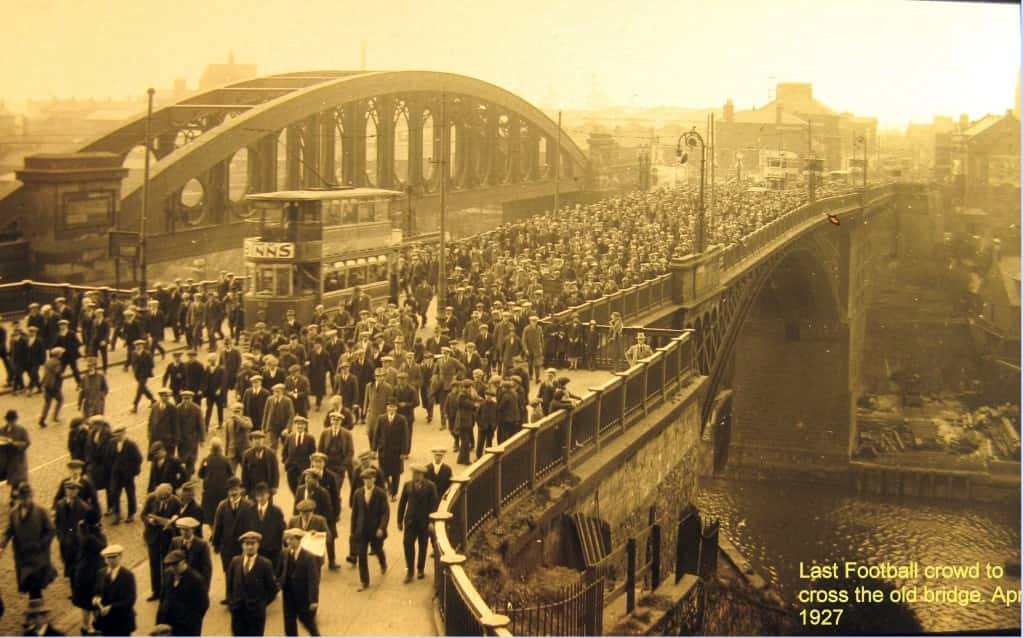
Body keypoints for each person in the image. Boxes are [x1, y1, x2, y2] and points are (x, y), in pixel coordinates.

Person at [0, 484, 57, 600]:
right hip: (22, 554)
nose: (24, 500)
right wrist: (2, 545)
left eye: (27, 497)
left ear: (31, 496)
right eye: (22, 498)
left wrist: (41, 544)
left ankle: (36, 604)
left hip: (38, 553)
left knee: (35, 580)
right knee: (28, 580)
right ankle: (35, 603)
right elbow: (8, 530)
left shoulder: (41, 511)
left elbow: (51, 530)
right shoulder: (14, 513)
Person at [211, 476, 257, 604]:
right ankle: (230, 595)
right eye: (231, 490)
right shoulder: (222, 506)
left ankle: (245, 595)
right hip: (227, 545)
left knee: (245, 570)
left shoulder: (248, 505)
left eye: (236, 489)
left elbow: (253, 525)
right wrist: (216, 543)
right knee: (229, 570)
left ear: (241, 490)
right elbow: (218, 525)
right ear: (227, 491)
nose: (233, 492)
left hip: (244, 545)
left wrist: (252, 542)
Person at [226, 531, 278, 636]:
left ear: (258, 545)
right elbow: (229, 585)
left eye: (253, 544)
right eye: (247, 544)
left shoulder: (265, 564)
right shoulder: (235, 561)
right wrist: (232, 603)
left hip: (256, 614)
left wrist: (261, 604)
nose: (250, 547)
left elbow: (273, 589)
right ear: (242, 546)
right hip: (238, 611)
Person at [397, 464, 438, 582]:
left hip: (424, 522)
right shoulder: (407, 485)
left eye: (418, 474)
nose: (416, 476)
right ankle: (410, 571)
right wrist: (399, 520)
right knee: (407, 544)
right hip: (410, 521)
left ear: (422, 475)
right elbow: (402, 503)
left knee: (423, 545)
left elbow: (434, 504)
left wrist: (431, 521)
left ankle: (420, 568)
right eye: (414, 473)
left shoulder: (430, 486)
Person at [350, 467, 389, 591]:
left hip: (375, 530)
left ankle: (383, 562)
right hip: (361, 530)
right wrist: (353, 531)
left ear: (374, 479)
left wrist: (381, 528)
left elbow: (385, 513)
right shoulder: (358, 494)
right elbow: (354, 514)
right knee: (362, 555)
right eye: (365, 480)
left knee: (377, 549)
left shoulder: (381, 493)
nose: (367, 482)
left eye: (370, 479)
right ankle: (364, 581)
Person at [141, 483, 180, 601]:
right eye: (159, 498)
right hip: (153, 536)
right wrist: (149, 521)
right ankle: (156, 591)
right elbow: (143, 515)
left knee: (166, 564)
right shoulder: (151, 498)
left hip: (167, 537)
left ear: (169, 496)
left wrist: (172, 522)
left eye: (164, 499)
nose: (161, 500)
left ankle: (166, 590)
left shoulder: (176, 502)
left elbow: (179, 516)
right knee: (154, 565)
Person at [156, 549, 210, 636]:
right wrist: (159, 622)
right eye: (171, 566)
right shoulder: (168, 574)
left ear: (183, 562)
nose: (173, 568)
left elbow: (203, 605)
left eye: (175, 565)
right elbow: (163, 599)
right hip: (168, 626)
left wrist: (190, 621)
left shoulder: (196, 579)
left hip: (187, 628)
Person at [279, 528, 321, 637]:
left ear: (299, 540)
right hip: (288, 595)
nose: (289, 542)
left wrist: (313, 600)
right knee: (289, 624)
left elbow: (313, 580)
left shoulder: (309, 557)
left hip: (303, 596)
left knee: (308, 623)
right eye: (288, 539)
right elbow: (280, 570)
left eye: (292, 539)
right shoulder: (285, 553)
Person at [71, 509, 106, 635]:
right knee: (93, 602)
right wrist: (102, 532)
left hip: (82, 572)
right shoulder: (91, 538)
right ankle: (94, 627)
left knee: (85, 604)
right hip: (92, 574)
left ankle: (86, 626)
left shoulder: (82, 531)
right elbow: (103, 546)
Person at [92, 544, 137, 636]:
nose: (110, 561)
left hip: (122, 621)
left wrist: (111, 607)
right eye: (107, 558)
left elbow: (130, 600)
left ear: (120, 556)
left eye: (113, 557)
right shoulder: (101, 573)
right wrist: (96, 599)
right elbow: (97, 592)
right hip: (105, 622)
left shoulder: (128, 576)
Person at [373, 401, 409, 500]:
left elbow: (405, 436)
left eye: (393, 407)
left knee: (395, 473)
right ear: (387, 408)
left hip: (396, 452)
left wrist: (404, 452)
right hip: (383, 451)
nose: (391, 409)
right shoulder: (381, 418)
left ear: (396, 408)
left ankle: (394, 493)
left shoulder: (401, 419)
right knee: (383, 472)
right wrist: (374, 449)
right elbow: (376, 434)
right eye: (389, 407)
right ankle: (388, 486)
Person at [54, 480, 89, 578]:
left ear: (77, 491)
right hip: (65, 539)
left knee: (77, 564)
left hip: (77, 540)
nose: (71, 492)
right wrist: (60, 536)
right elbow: (57, 522)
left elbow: (87, 524)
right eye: (69, 489)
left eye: (74, 489)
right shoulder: (60, 505)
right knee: (67, 560)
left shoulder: (83, 506)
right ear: (65, 490)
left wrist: (82, 537)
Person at [107, 427, 143, 525]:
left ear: (123, 434)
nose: (117, 437)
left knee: (130, 494)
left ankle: (131, 514)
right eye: (116, 435)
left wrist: (133, 471)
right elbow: (108, 456)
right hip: (116, 474)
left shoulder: (131, 445)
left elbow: (138, 458)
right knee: (114, 493)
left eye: (119, 435)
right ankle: (117, 515)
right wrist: (113, 467)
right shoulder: (112, 443)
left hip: (128, 474)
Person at [169, 517, 213, 591]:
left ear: (193, 530)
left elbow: (207, 568)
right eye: (181, 529)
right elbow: (169, 561)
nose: (184, 532)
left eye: (187, 530)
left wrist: (205, 588)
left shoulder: (202, 545)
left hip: (195, 583)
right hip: (178, 581)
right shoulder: (175, 542)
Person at [197, 436, 232, 527]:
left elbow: (200, 474)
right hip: (222, 491)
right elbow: (231, 475)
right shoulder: (225, 460)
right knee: (222, 512)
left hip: (209, 491)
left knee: (210, 514)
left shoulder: (206, 460)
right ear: (220, 448)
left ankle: (213, 530)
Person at [251, 482, 286, 572]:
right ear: (255, 497)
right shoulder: (250, 511)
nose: (261, 498)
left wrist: (283, 546)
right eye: (258, 495)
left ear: (268, 495)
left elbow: (282, 529)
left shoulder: (276, 511)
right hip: (256, 551)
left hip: (272, 551)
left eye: (263, 495)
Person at [318, 411, 354, 493]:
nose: (335, 422)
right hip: (327, 465)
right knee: (326, 487)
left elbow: (350, 451)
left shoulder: (347, 434)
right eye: (333, 420)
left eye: (338, 420)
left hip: (340, 466)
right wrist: (321, 463)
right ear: (330, 421)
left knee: (337, 488)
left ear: (341, 422)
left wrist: (344, 465)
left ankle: (336, 502)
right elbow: (320, 449)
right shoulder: (325, 433)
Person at [288, 499, 329, 570]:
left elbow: (328, 538)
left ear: (312, 512)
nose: (305, 516)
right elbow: (286, 537)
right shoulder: (293, 521)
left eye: (307, 514)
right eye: (302, 513)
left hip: (314, 558)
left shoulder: (320, 521)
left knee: (314, 579)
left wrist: (317, 535)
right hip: (297, 556)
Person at [282, 416, 316, 495]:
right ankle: (296, 497)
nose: (300, 426)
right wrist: (286, 461)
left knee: (303, 486)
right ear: (295, 425)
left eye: (302, 424)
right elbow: (284, 452)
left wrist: (310, 466)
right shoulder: (290, 437)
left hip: (304, 467)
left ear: (305, 426)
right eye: (298, 424)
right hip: (291, 467)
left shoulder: (310, 438)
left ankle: (300, 498)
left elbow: (313, 453)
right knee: (292, 486)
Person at [241, 431, 279, 497]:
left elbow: (275, 471)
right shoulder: (247, 454)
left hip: (267, 486)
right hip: (252, 487)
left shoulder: (271, 454)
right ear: (251, 441)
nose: (257, 441)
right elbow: (244, 472)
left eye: (259, 439)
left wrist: (274, 486)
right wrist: (244, 487)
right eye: (255, 439)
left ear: (263, 440)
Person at [0, 409, 31, 493]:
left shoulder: (21, 430)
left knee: (17, 480)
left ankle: (14, 498)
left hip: (17, 460)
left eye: (12, 421)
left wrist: (14, 443)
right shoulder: (2, 430)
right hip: (4, 459)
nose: (11, 422)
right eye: (9, 421)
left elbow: (27, 443)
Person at [176, 390, 204, 476]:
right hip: (181, 439)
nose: (186, 400)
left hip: (192, 438)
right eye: (184, 398)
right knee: (182, 457)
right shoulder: (178, 408)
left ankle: (189, 474)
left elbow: (201, 425)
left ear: (192, 399)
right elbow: (175, 424)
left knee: (192, 458)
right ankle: (187, 471)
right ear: (182, 399)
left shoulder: (196, 409)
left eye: (188, 398)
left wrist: (202, 439)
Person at [261, 383, 295, 452]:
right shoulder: (269, 400)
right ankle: (273, 460)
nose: (276, 394)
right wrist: (264, 427)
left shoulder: (287, 401)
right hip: (272, 427)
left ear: (282, 392)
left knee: (286, 445)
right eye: (274, 392)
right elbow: (265, 413)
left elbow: (291, 416)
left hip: (283, 427)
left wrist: (287, 428)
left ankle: (286, 459)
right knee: (273, 446)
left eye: (278, 392)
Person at [148, 389, 179, 458]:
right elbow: (150, 420)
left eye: (166, 396)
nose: (164, 398)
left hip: (167, 438)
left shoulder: (172, 408)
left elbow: (175, 424)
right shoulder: (155, 406)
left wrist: (175, 439)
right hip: (155, 437)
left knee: (167, 458)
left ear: (169, 397)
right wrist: (150, 432)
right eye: (162, 396)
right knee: (155, 458)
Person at [39, 347, 64, 427]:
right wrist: (61, 375)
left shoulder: (47, 362)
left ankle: (42, 419)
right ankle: (55, 416)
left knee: (47, 403)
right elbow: (58, 373)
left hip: (47, 385)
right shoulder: (57, 363)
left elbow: (45, 374)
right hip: (54, 386)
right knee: (60, 400)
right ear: (58, 355)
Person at [224, 402, 253, 472]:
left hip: (244, 450)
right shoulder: (228, 422)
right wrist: (226, 452)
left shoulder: (247, 419)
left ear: (242, 411)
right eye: (235, 411)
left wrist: (238, 419)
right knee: (231, 473)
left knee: (247, 472)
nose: (236, 413)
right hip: (232, 451)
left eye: (238, 411)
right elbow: (227, 438)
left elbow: (249, 426)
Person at [130, 340, 156, 414]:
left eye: (140, 345)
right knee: (143, 388)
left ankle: (135, 405)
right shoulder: (134, 353)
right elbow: (133, 363)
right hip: (137, 374)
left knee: (139, 390)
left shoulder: (147, 353)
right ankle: (153, 399)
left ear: (143, 346)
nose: (138, 346)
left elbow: (152, 364)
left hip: (144, 374)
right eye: (137, 345)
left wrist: (146, 370)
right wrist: (134, 371)